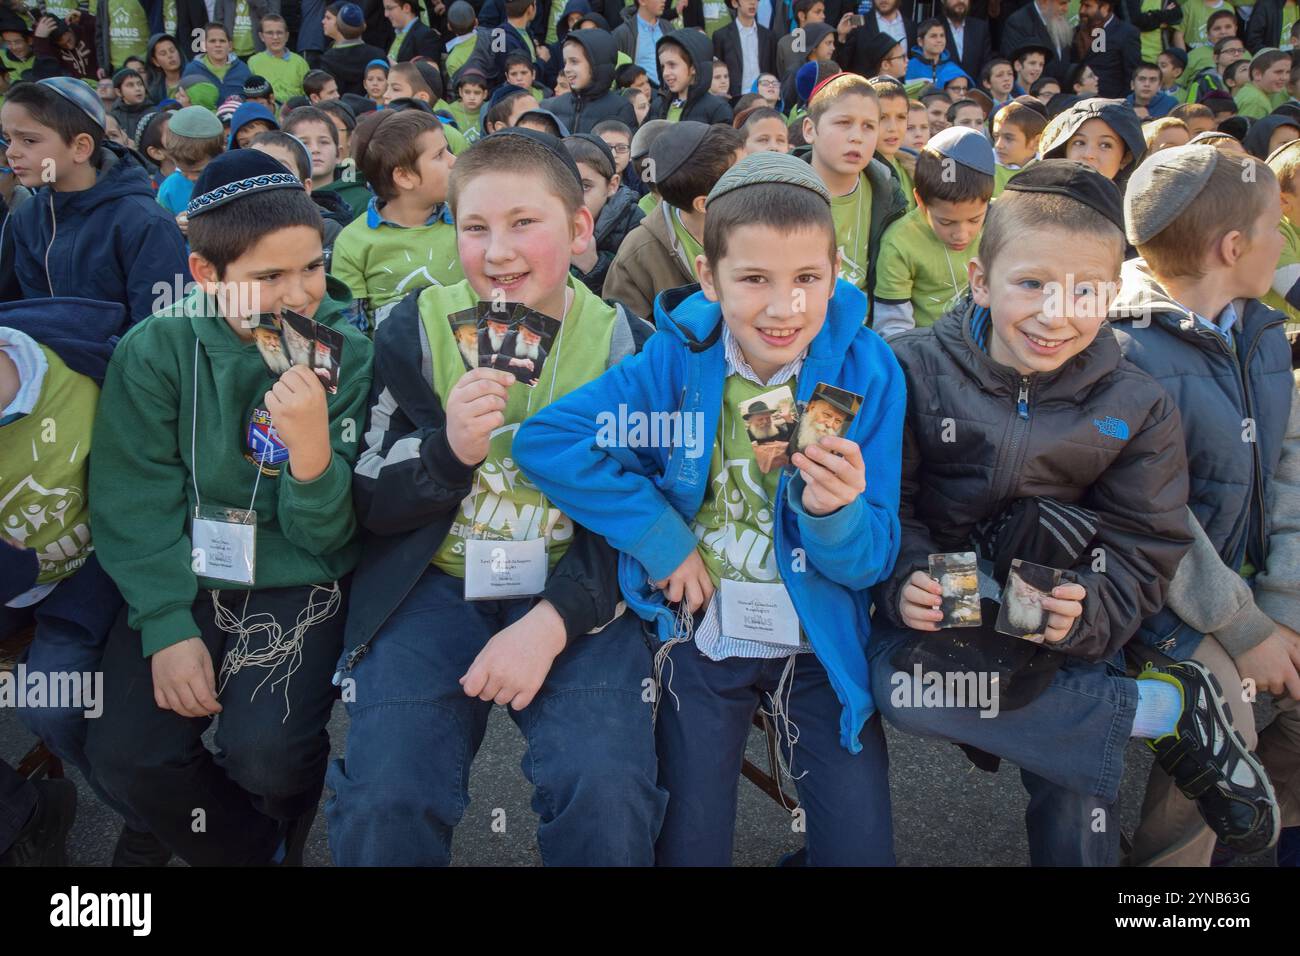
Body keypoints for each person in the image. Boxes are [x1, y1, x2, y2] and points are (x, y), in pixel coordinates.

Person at [875, 159, 1278, 865]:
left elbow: (1146, 541)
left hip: (1059, 597)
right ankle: (1163, 714)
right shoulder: (909, 370)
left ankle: (1105, 717)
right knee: (907, 688)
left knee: (1074, 788)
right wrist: (905, 572)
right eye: (1030, 284)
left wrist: (1088, 609)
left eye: (1085, 291)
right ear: (979, 279)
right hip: (954, 590)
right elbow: (892, 503)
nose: (1055, 313)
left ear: (1113, 291)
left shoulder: (1135, 400)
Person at [514, 151, 906, 866]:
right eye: (754, 279)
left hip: (819, 647)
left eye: (807, 280)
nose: (784, 307)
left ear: (837, 270)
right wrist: (661, 537)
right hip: (701, 636)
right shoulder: (675, 359)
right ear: (708, 277)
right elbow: (547, 440)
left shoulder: (869, 370)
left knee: (860, 853)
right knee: (688, 848)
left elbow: (870, 559)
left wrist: (834, 514)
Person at [324, 129, 666, 866]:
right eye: (475, 227)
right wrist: (448, 454)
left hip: (576, 588)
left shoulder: (623, 345)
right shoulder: (414, 326)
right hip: (435, 581)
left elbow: (643, 514)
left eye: (523, 224)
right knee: (387, 795)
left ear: (579, 230)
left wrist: (551, 623)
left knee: (606, 788)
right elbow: (369, 502)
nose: (499, 252)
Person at [82, 149, 373, 867]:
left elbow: (330, 535)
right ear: (206, 274)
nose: (301, 293)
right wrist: (165, 623)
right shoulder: (157, 349)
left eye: (311, 265)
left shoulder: (348, 352)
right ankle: (244, 845)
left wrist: (311, 456)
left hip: (298, 575)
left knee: (268, 754)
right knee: (127, 756)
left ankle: (268, 816)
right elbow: (133, 496)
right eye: (268, 276)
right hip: (186, 572)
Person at [1108, 144, 1299, 866]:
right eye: (1277, 227)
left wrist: (1285, 608)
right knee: (1224, 727)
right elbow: (1157, 520)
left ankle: (1258, 846)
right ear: (1232, 246)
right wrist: (1249, 630)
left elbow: (1291, 472)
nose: (1285, 242)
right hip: (1158, 606)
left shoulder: (1263, 332)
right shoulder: (1123, 350)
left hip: (1249, 595)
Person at [0, 78, 187, 332]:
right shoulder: (27, 217)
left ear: (80, 147)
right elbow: (35, 317)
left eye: (28, 141)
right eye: (8, 139)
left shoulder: (146, 223)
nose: (11, 152)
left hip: (126, 369)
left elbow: (160, 335)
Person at [330, 108, 462, 327]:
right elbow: (354, 329)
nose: (454, 160)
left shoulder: (467, 222)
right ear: (404, 176)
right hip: (392, 359)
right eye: (439, 155)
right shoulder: (352, 242)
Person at [604, 121, 743, 319]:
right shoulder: (638, 253)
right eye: (740, 177)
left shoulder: (767, 225)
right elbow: (632, 335)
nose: (754, 179)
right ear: (704, 204)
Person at [873, 125, 994, 337]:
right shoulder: (900, 242)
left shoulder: (999, 222)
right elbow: (893, 327)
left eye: (975, 219)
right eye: (946, 222)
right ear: (920, 200)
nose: (962, 234)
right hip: (927, 349)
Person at [803, 73, 908, 301]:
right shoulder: (779, 194)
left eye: (869, 126)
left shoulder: (890, 196)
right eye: (844, 123)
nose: (857, 137)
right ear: (810, 130)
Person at [564, 132, 644, 291]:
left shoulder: (635, 226)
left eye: (585, 186)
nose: (572, 197)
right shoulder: (541, 220)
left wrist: (593, 265)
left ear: (612, 185)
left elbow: (635, 303)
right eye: (562, 186)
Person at [539, 27, 638, 133]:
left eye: (574, 61)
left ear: (596, 64)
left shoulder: (620, 109)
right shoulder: (555, 106)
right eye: (565, 62)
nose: (566, 69)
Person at [285, 104, 372, 221]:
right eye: (304, 143)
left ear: (338, 153)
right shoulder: (280, 199)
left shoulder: (363, 201)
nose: (315, 149)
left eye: (324, 142)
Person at [1037, 96, 1146, 185]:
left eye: (1105, 145)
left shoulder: (1133, 210)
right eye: (1079, 142)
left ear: (1126, 158)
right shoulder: (1039, 203)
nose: (1089, 154)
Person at [651, 29, 732, 124]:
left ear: (694, 67)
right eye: (663, 67)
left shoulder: (717, 109)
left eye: (672, 65)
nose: (665, 73)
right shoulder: (658, 106)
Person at [712, 0, 776, 101]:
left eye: (756, 0)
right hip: (734, 98)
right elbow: (718, 70)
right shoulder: (721, 36)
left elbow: (773, 70)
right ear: (734, 3)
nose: (752, 3)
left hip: (762, 97)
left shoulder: (768, 36)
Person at [1077, 0, 1141, 100]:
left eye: (1087, 6)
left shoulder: (1126, 33)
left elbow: (1132, 73)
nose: (1082, 10)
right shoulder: (1076, 32)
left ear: (1105, 7)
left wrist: (1123, 104)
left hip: (1110, 102)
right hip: (1077, 101)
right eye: (1081, 5)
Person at [322, 2, 388, 96]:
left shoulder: (328, 59)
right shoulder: (378, 54)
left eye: (328, 18)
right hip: (373, 108)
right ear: (363, 25)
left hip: (342, 109)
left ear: (339, 25)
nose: (323, 21)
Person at [181, 22, 253, 101]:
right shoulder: (192, 70)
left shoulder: (243, 70)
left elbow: (251, 101)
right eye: (212, 41)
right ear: (204, 45)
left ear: (230, 46)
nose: (218, 45)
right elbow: (182, 100)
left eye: (222, 41)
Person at [249, 14, 310, 103]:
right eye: (270, 33)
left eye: (279, 32)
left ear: (287, 36)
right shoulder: (253, 62)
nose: (275, 37)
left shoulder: (299, 62)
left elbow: (308, 94)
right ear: (262, 36)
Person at [612, 0, 675, 80]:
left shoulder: (668, 27)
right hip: (641, 90)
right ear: (642, 1)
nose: (664, 0)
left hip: (670, 89)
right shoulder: (623, 33)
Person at [991, 97, 1045, 192]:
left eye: (1008, 138)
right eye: (996, 136)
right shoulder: (986, 166)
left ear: (1037, 142)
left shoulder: (1048, 170)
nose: (998, 145)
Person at [1236, 49, 1292, 119]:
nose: (1284, 77)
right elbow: (1249, 128)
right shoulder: (1256, 101)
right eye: (1278, 72)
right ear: (1257, 74)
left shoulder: (1249, 91)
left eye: (1288, 72)